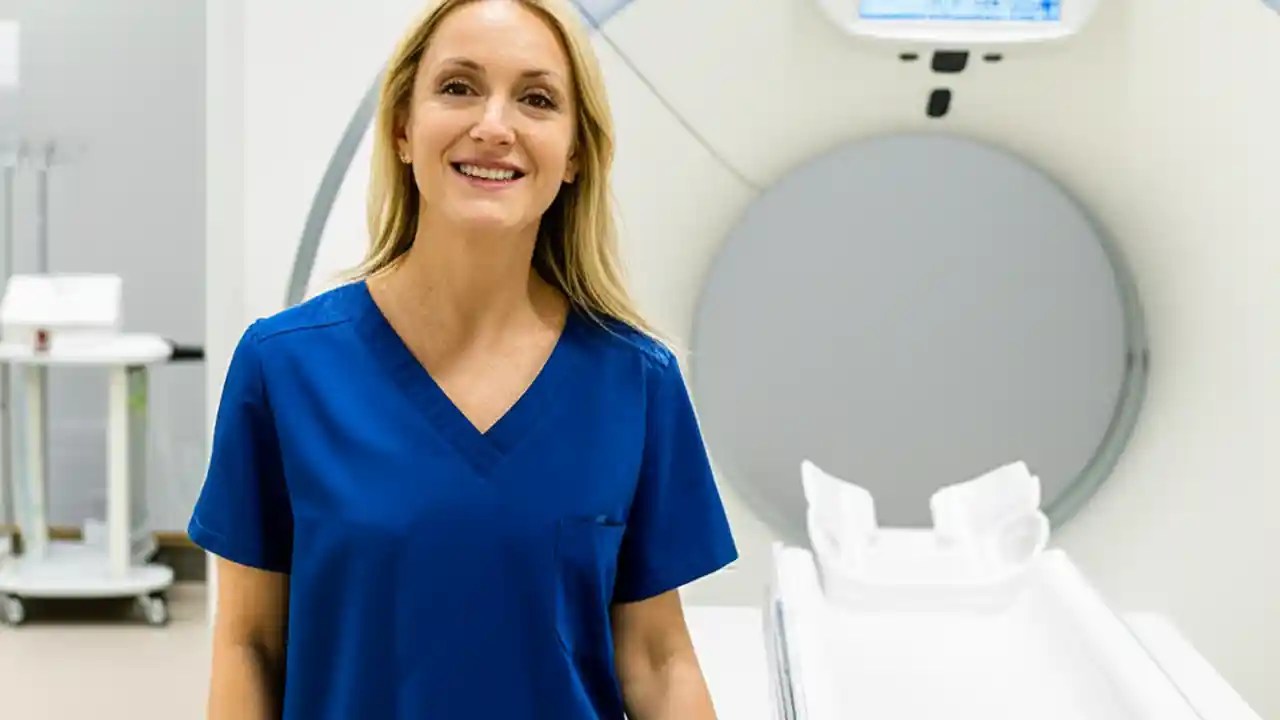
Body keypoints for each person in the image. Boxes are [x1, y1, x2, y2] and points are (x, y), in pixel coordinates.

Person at [187, 0, 739, 717]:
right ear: (403, 128)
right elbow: (249, 645)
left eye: (537, 99)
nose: (494, 126)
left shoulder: (636, 382)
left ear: (574, 153)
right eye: (459, 87)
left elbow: (658, 659)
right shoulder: (284, 368)